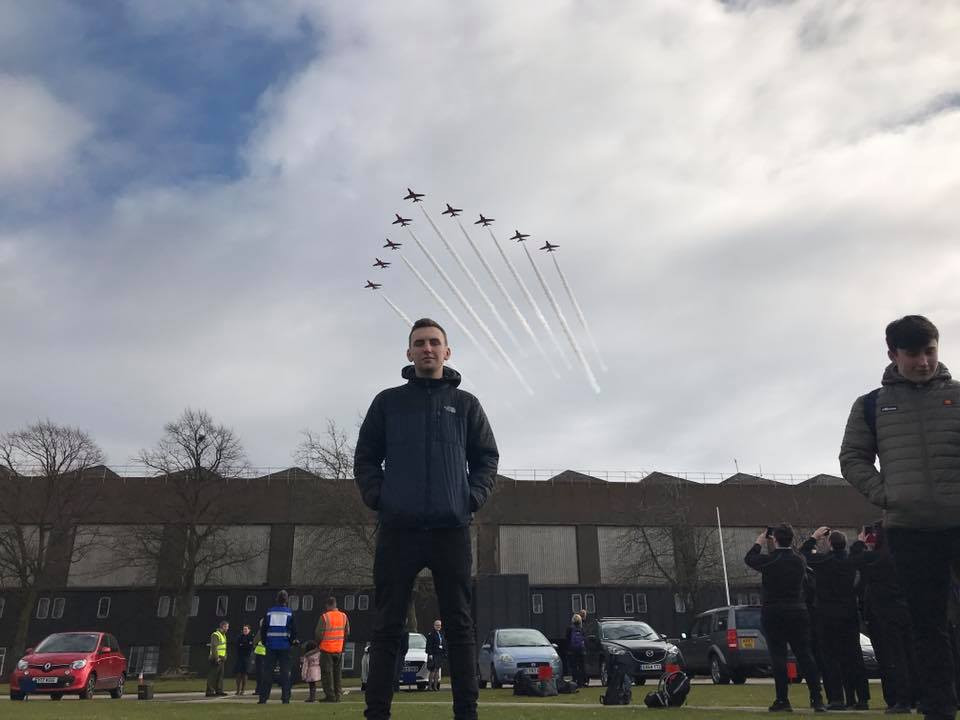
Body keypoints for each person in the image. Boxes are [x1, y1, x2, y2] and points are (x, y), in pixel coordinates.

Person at [355, 317, 499, 720]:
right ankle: (377, 713)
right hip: (397, 530)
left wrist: (469, 498)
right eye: (419, 343)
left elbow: (487, 458)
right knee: (386, 627)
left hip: (450, 529)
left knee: (459, 628)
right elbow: (365, 456)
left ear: (447, 352)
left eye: (434, 342)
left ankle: (466, 713)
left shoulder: (466, 405)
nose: (427, 348)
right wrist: (378, 496)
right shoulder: (388, 402)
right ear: (409, 353)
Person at [840, 315, 960, 720]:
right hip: (910, 531)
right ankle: (939, 711)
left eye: (930, 351)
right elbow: (853, 458)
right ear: (893, 354)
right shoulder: (872, 405)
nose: (924, 362)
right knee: (928, 628)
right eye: (913, 354)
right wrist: (885, 495)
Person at [745, 524, 825, 713]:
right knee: (805, 655)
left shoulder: (771, 561)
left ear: (776, 539)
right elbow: (800, 552)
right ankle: (817, 698)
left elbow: (750, 558)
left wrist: (760, 541)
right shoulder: (799, 560)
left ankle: (783, 699)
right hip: (797, 610)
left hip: (774, 611)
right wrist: (813, 537)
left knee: (778, 656)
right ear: (790, 539)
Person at [849, 521, 917, 713]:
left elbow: (855, 560)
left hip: (886, 613)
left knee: (894, 657)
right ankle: (917, 697)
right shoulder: (904, 556)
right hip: (906, 610)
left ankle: (901, 699)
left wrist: (860, 542)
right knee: (911, 655)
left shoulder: (878, 558)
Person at [801, 527, 869, 710]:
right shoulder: (850, 561)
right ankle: (861, 698)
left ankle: (837, 698)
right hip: (848, 611)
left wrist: (814, 538)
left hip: (827, 613)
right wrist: (861, 541)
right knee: (854, 656)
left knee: (830, 657)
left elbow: (803, 554)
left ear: (830, 543)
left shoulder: (824, 561)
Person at [257, 589, 299, 704]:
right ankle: (285, 698)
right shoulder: (289, 613)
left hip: (271, 646)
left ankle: (263, 698)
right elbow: (294, 631)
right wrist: (291, 641)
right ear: (286, 600)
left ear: (277, 599)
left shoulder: (269, 612)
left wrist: (265, 642)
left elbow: (264, 629)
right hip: (285, 646)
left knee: (267, 673)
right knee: (285, 673)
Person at [315, 596, 350, 702]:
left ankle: (330, 696)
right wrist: (342, 645)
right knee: (337, 674)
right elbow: (347, 632)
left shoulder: (325, 617)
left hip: (326, 649)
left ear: (327, 605)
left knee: (327, 674)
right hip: (338, 650)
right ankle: (338, 695)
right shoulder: (344, 616)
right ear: (335, 604)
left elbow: (318, 634)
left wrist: (318, 644)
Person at [206, 620, 229, 697]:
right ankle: (209, 691)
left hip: (222, 658)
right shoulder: (216, 635)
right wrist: (216, 658)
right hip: (216, 658)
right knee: (213, 675)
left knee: (220, 676)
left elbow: (223, 647)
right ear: (223, 626)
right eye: (227, 627)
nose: (227, 628)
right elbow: (214, 647)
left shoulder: (223, 635)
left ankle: (219, 690)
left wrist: (225, 656)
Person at [565, 614, 587, 687]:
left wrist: (568, 650)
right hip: (581, 650)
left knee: (574, 667)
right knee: (581, 666)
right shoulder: (582, 629)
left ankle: (574, 681)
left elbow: (567, 640)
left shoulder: (569, 628)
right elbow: (584, 639)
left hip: (572, 650)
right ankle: (582, 682)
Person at [425, 619, 446, 691]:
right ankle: (430, 687)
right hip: (433, 654)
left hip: (440, 654)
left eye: (439, 625)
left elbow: (443, 643)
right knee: (432, 670)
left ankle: (435, 687)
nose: (438, 626)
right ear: (434, 626)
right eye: (437, 625)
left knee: (437, 670)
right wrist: (430, 654)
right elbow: (429, 645)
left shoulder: (441, 634)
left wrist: (444, 652)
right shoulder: (431, 634)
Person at [234, 623, 254, 696]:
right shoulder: (240, 637)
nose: (244, 630)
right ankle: (238, 689)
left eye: (246, 629)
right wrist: (243, 645)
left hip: (247, 658)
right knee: (238, 673)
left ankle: (243, 689)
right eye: (244, 629)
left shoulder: (251, 637)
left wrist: (243, 645)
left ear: (249, 630)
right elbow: (237, 646)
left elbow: (249, 647)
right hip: (240, 657)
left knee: (244, 673)